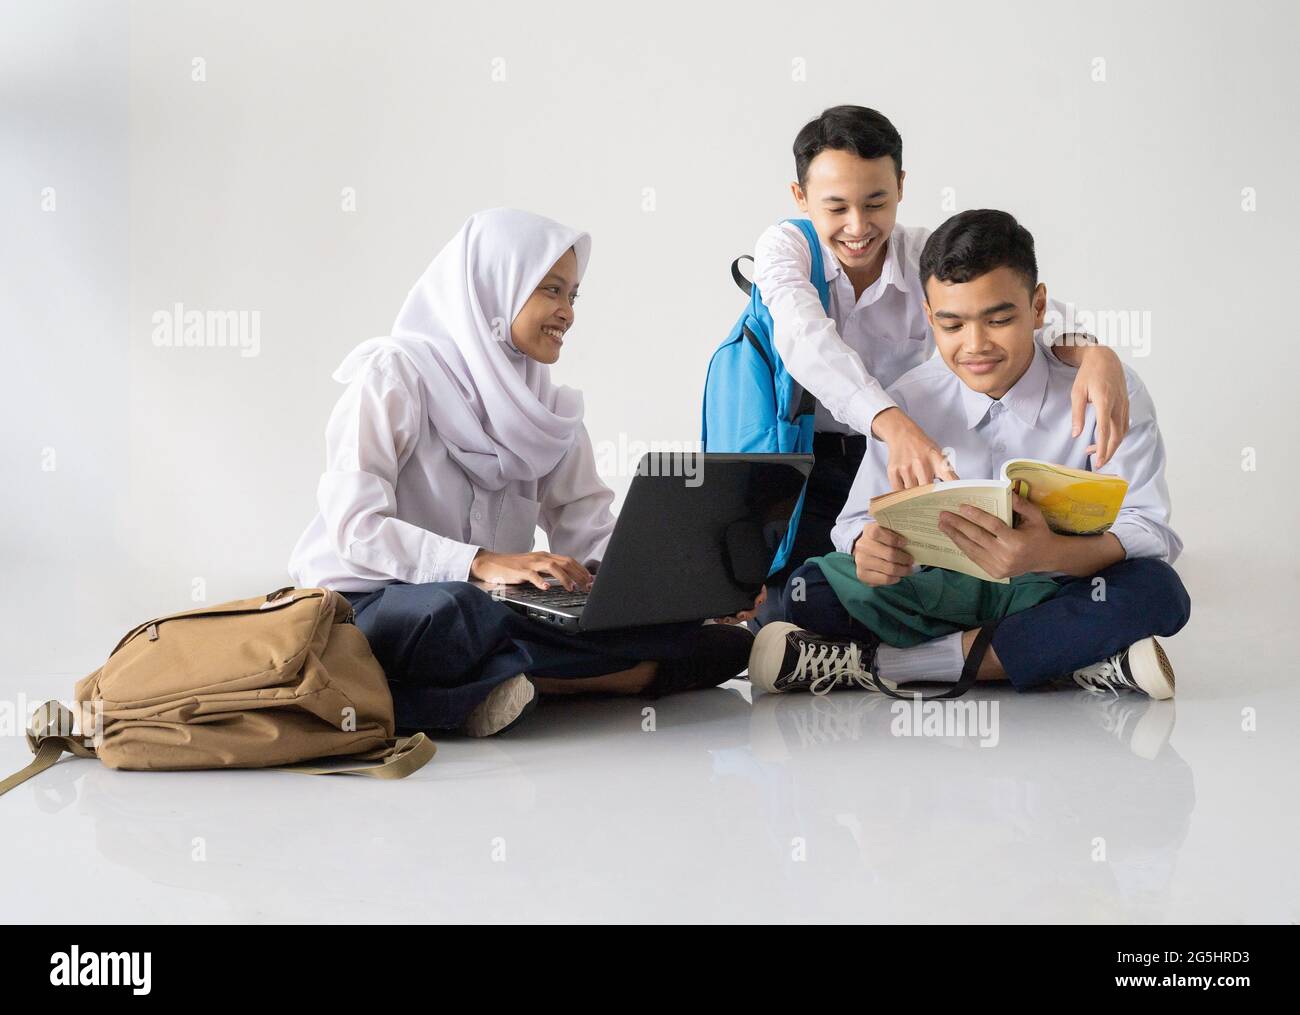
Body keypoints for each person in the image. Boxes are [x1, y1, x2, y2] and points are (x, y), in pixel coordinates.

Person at [288, 208, 752, 736]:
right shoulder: (394, 375)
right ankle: (616, 677)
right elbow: (355, 527)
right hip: (374, 602)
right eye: (551, 290)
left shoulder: (551, 414)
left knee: (722, 644)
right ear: (494, 287)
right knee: (451, 614)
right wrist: (480, 563)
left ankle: (505, 685)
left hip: (497, 609)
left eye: (573, 295)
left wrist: (687, 591)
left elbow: (592, 539)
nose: (568, 313)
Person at [748, 209, 1190, 699]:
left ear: (1039, 307)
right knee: (811, 591)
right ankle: (1076, 656)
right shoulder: (910, 400)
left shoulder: (1106, 389)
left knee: (1158, 591)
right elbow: (852, 523)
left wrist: (1050, 553)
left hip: (1056, 582)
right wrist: (865, 549)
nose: (975, 346)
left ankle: (898, 663)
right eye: (951, 325)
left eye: (999, 319)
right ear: (927, 314)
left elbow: (1151, 528)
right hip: (942, 591)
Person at [753, 106, 1132, 597]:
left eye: (876, 202)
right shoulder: (785, 248)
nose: (858, 226)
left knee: (955, 582)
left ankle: (958, 644)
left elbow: (1024, 309)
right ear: (801, 197)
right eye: (836, 207)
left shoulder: (925, 254)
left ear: (902, 187)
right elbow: (805, 340)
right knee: (795, 601)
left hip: (919, 466)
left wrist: (1093, 353)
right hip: (810, 460)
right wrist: (895, 426)